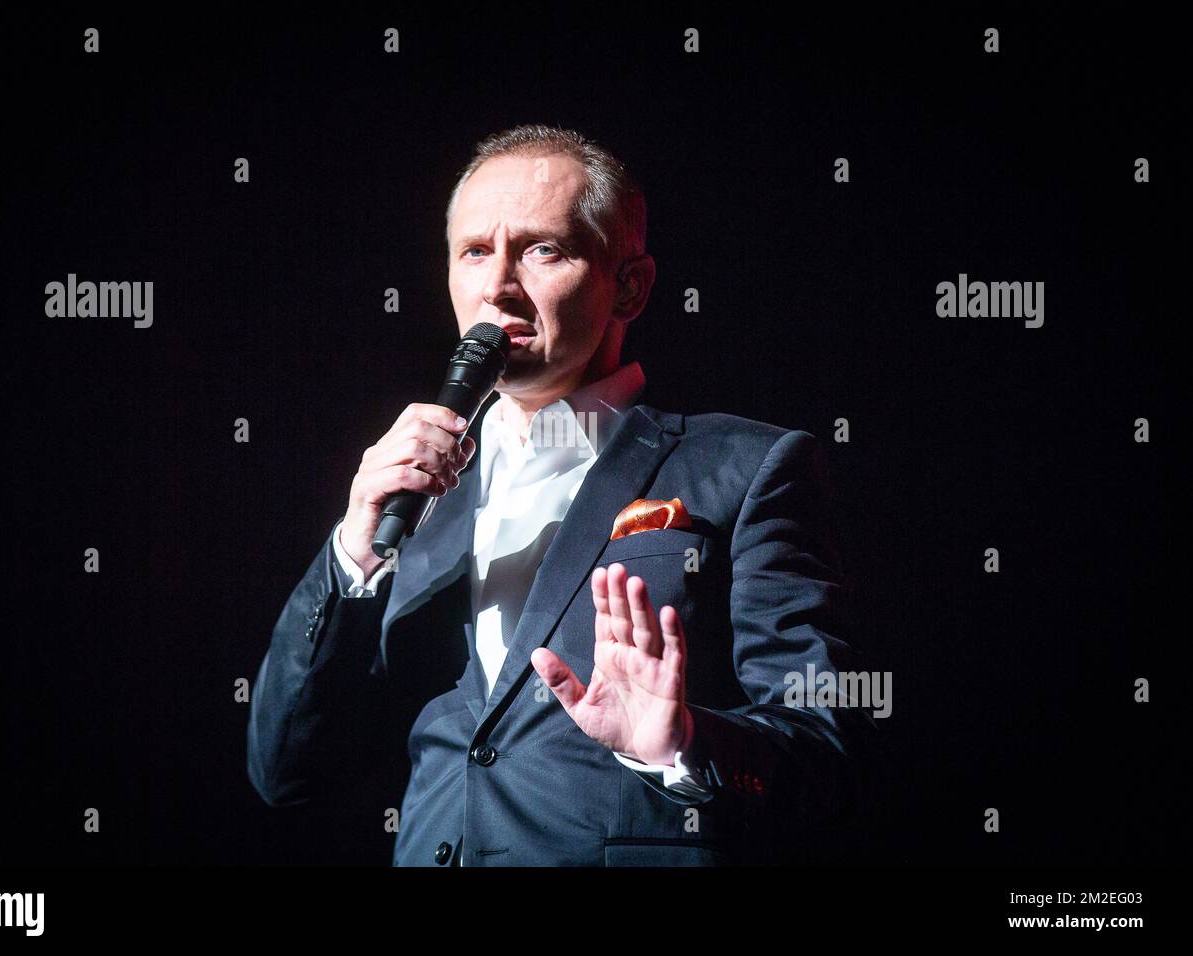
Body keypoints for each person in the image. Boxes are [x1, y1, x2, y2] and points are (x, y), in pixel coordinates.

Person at [247, 124, 871, 866]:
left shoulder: (747, 466)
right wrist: (352, 551)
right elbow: (286, 769)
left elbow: (828, 751)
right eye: (475, 251)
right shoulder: (420, 502)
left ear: (630, 285)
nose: (497, 286)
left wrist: (681, 745)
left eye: (542, 249)